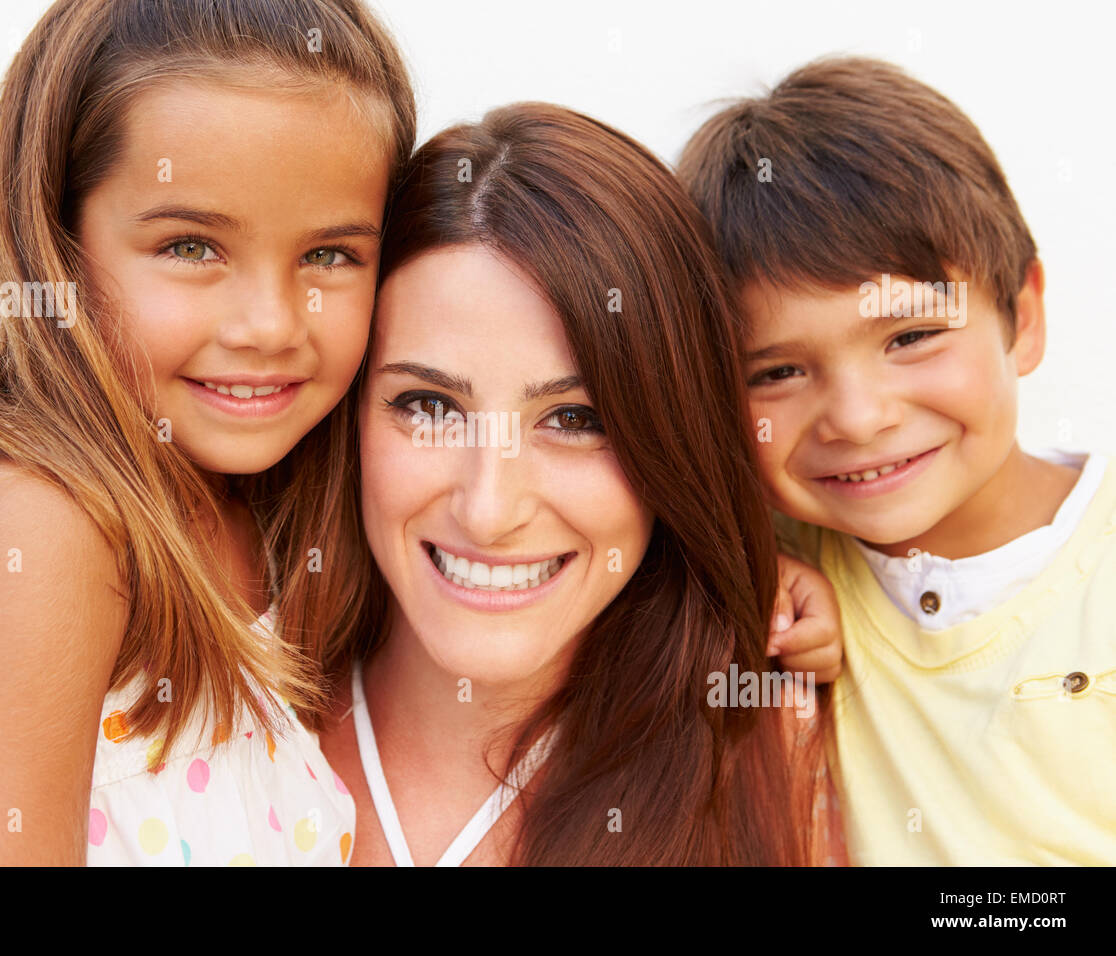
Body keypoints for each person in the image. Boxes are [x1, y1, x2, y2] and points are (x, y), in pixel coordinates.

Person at [0, 0, 415, 865]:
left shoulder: (274, 528)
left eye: (329, 255)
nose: (270, 325)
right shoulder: (35, 530)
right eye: (190, 246)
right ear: (56, 244)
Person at [298, 102, 846, 865]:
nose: (488, 511)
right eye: (428, 406)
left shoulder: (781, 741)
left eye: (576, 419)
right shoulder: (218, 717)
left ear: (673, 441)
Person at [678, 56, 1116, 864]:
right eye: (776, 373)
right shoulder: (778, 569)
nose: (858, 416)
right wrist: (755, 569)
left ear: (1022, 318)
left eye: (910, 337)